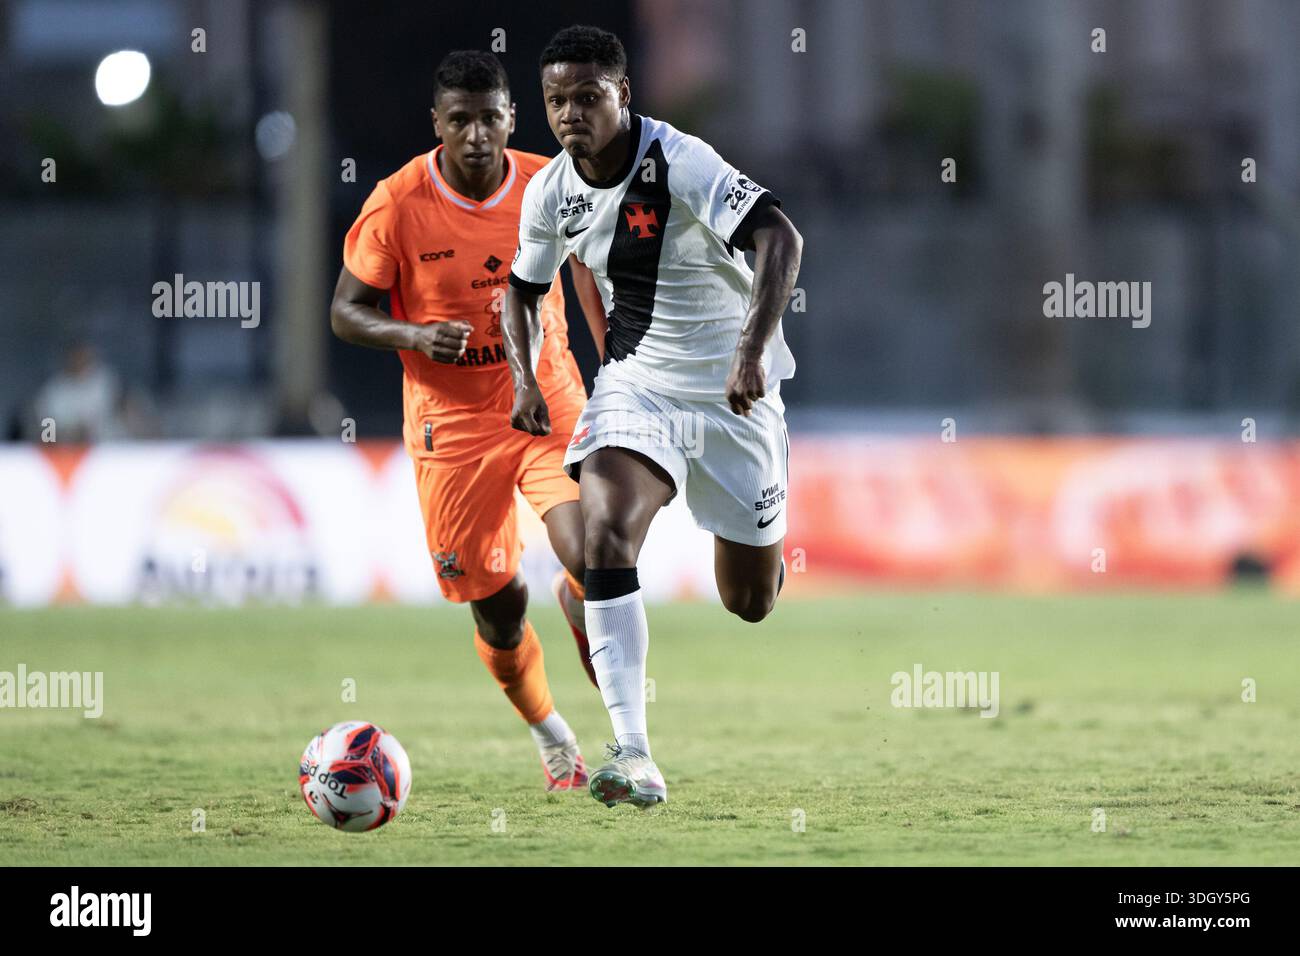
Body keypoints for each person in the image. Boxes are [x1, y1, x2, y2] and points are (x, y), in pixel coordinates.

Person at [504, 26, 803, 808]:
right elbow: (523, 290)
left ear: (623, 94)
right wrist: (524, 379)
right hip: (639, 387)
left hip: (734, 393)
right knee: (603, 531)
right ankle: (634, 751)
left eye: (587, 97)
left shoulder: (680, 161)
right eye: (556, 101)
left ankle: (761, 542)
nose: (570, 114)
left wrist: (750, 350)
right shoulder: (549, 193)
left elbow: (781, 236)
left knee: (751, 601)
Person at [331, 50, 605, 792]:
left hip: (545, 399)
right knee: (499, 611)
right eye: (461, 121)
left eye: (490, 118)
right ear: (438, 126)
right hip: (449, 428)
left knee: (594, 551)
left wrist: (614, 355)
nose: (478, 134)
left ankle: (586, 599)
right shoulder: (396, 203)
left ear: (512, 118)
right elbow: (345, 312)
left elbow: (587, 267)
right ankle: (552, 734)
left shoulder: (552, 185)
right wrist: (414, 335)